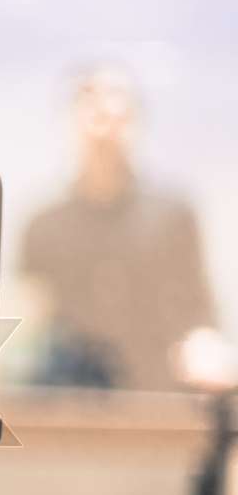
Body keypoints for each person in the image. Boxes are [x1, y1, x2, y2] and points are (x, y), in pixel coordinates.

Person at [20, 67, 217, 391]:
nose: (105, 130)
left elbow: (200, 305)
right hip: (68, 394)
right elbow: (31, 317)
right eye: (94, 115)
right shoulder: (42, 222)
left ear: (136, 124)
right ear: (70, 123)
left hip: (157, 390)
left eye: (118, 117)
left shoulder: (174, 214)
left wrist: (203, 343)